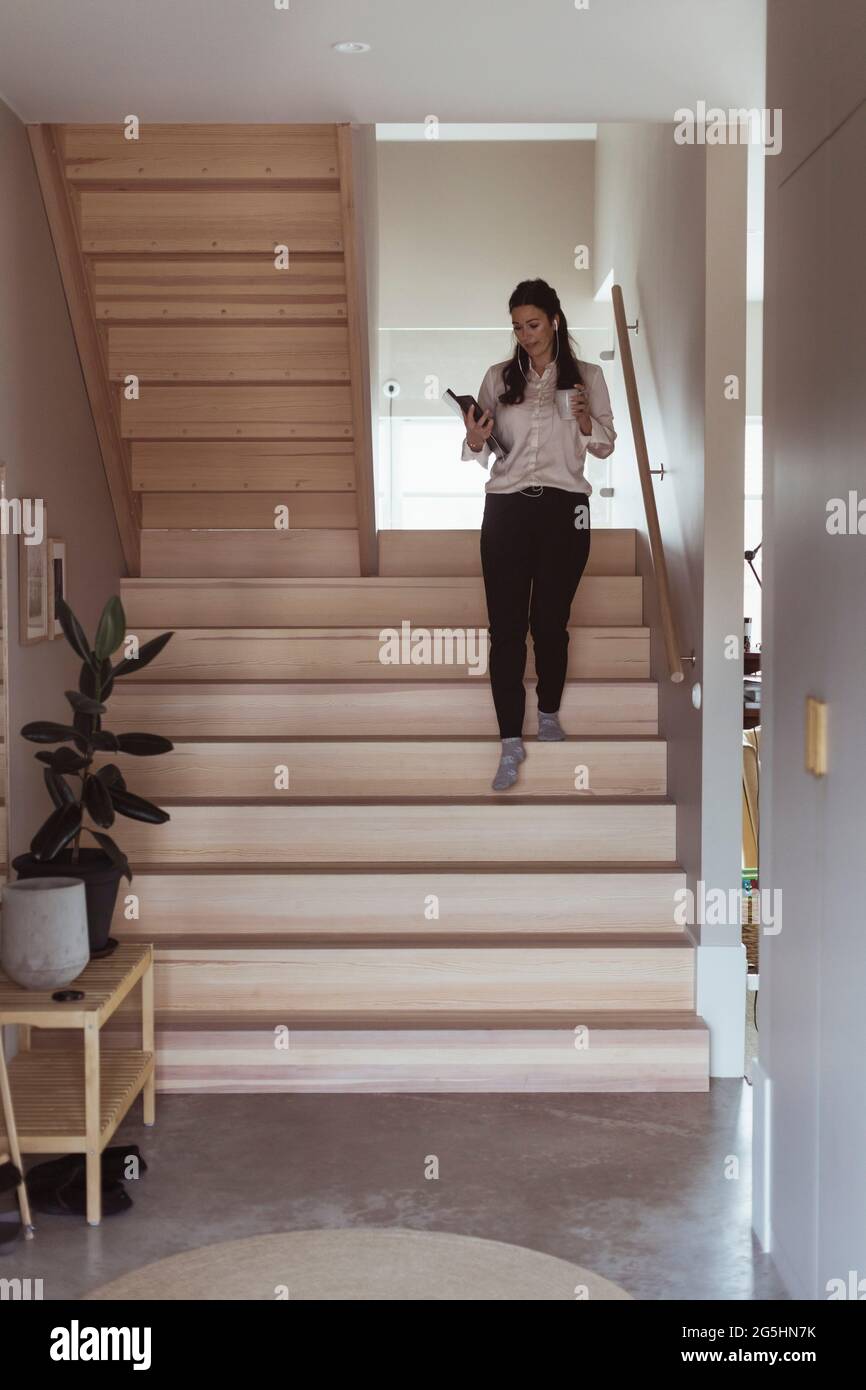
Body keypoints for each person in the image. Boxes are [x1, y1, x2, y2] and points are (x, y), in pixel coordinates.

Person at [462, 278, 616, 790]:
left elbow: (607, 445)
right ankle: (510, 740)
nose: (525, 335)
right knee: (505, 629)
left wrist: (586, 422)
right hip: (506, 508)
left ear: (554, 320)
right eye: (517, 327)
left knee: (549, 622)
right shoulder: (499, 377)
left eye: (532, 324)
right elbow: (483, 449)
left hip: (565, 508)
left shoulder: (589, 376)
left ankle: (548, 711)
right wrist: (475, 438)